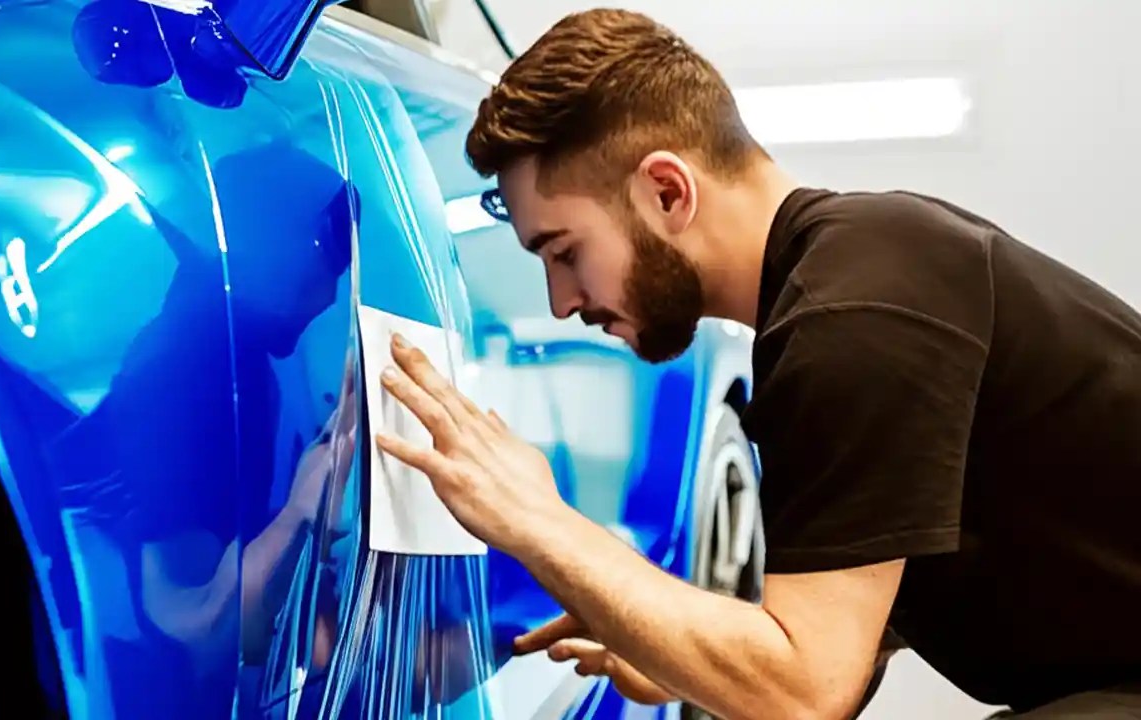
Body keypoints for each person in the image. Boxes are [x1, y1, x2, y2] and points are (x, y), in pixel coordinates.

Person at [373, 8, 1141, 720]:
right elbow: (862, 617)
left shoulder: (856, 315)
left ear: (667, 191)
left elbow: (807, 693)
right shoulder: (856, 275)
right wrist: (690, 651)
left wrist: (538, 520)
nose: (561, 303)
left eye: (566, 252)